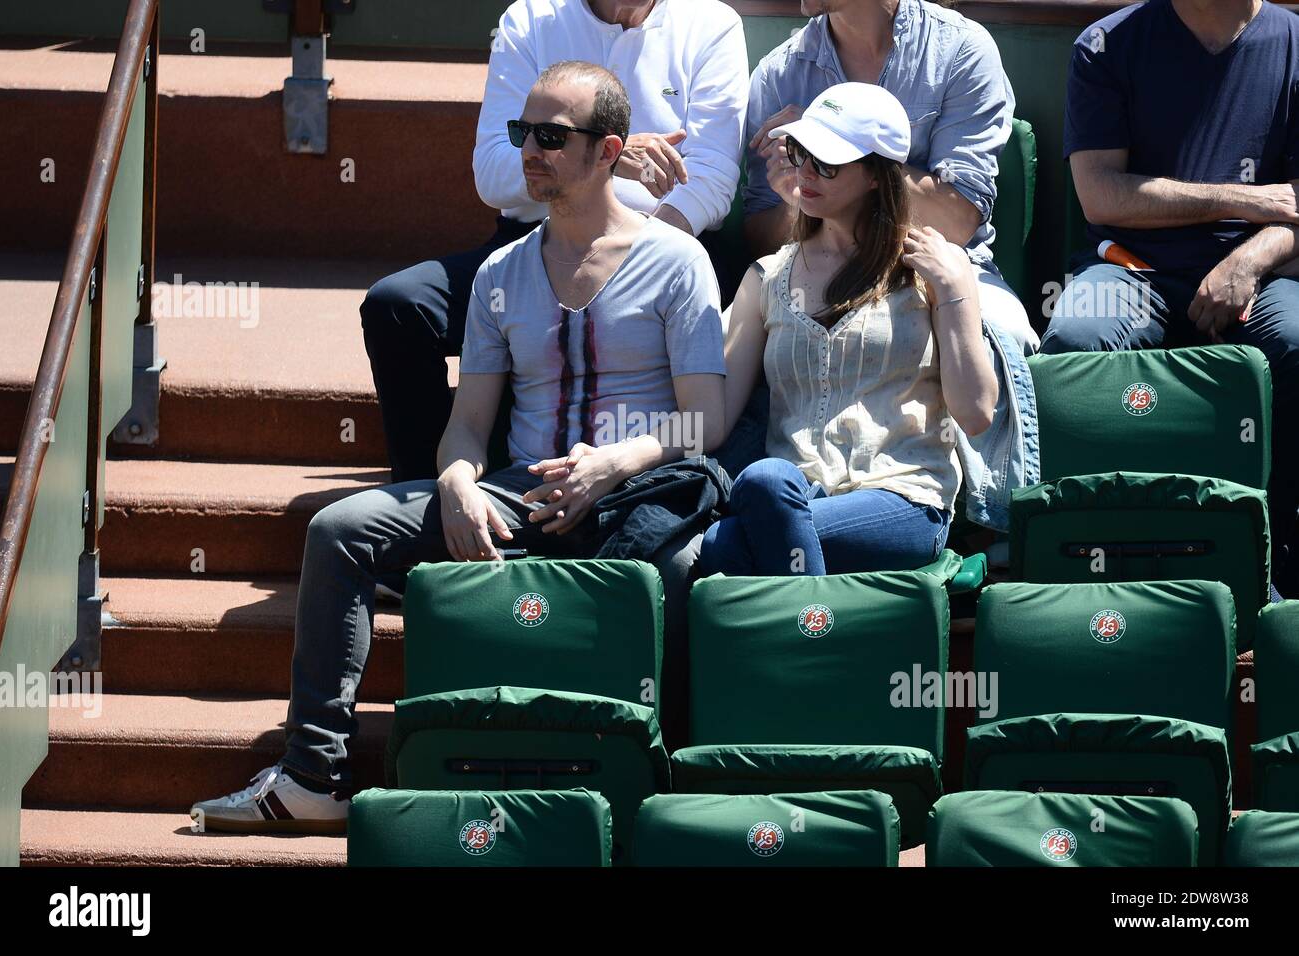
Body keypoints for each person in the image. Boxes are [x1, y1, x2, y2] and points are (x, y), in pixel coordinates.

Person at [191, 62, 727, 831]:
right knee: (341, 530)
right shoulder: (504, 271)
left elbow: (701, 419)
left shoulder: (677, 261)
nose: (530, 152)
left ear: (609, 150)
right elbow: (470, 421)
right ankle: (314, 775)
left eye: (551, 136)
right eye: (522, 134)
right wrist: (455, 480)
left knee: (682, 567)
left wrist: (614, 462)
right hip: (520, 489)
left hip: (634, 494)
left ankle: (661, 794)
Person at [362, 0, 748, 484]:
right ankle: (434, 500)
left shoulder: (712, 23)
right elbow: (493, 170)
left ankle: (710, 503)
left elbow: (712, 174)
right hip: (534, 242)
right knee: (398, 305)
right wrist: (585, 155)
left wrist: (640, 256)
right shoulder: (529, 18)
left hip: (666, 244)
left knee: (751, 304)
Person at [1040, 0, 1299, 597]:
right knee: (1074, 339)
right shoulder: (1106, 44)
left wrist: (1248, 259)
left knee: (1293, 344)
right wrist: (1244, 199)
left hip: (1262, 270)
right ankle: (1086, 567)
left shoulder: (1291, 43)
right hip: (1132, 269)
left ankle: (1272, 577)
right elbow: (1102, 195)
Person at [700, 82, 998, 578]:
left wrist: (953, 291)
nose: (805, 174)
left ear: (878, 176)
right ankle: (818, 632)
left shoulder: (935, 269)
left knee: (727, 545)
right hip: (793, 494)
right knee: (766, 482)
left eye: (827, 163)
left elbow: (976, 414)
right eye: (799, 154)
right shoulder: (767, 278)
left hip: (901, 497)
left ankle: (805, 626)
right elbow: (715, 417)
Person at [742, 0, 1038, 356]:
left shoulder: (961, 49)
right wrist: (801, 196)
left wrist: (834, 138)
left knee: (1006, 335)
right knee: (721, 340)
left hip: (934, 264)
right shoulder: (777, 72)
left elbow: (956, 223)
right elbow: (761, 240)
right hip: (813, 264)